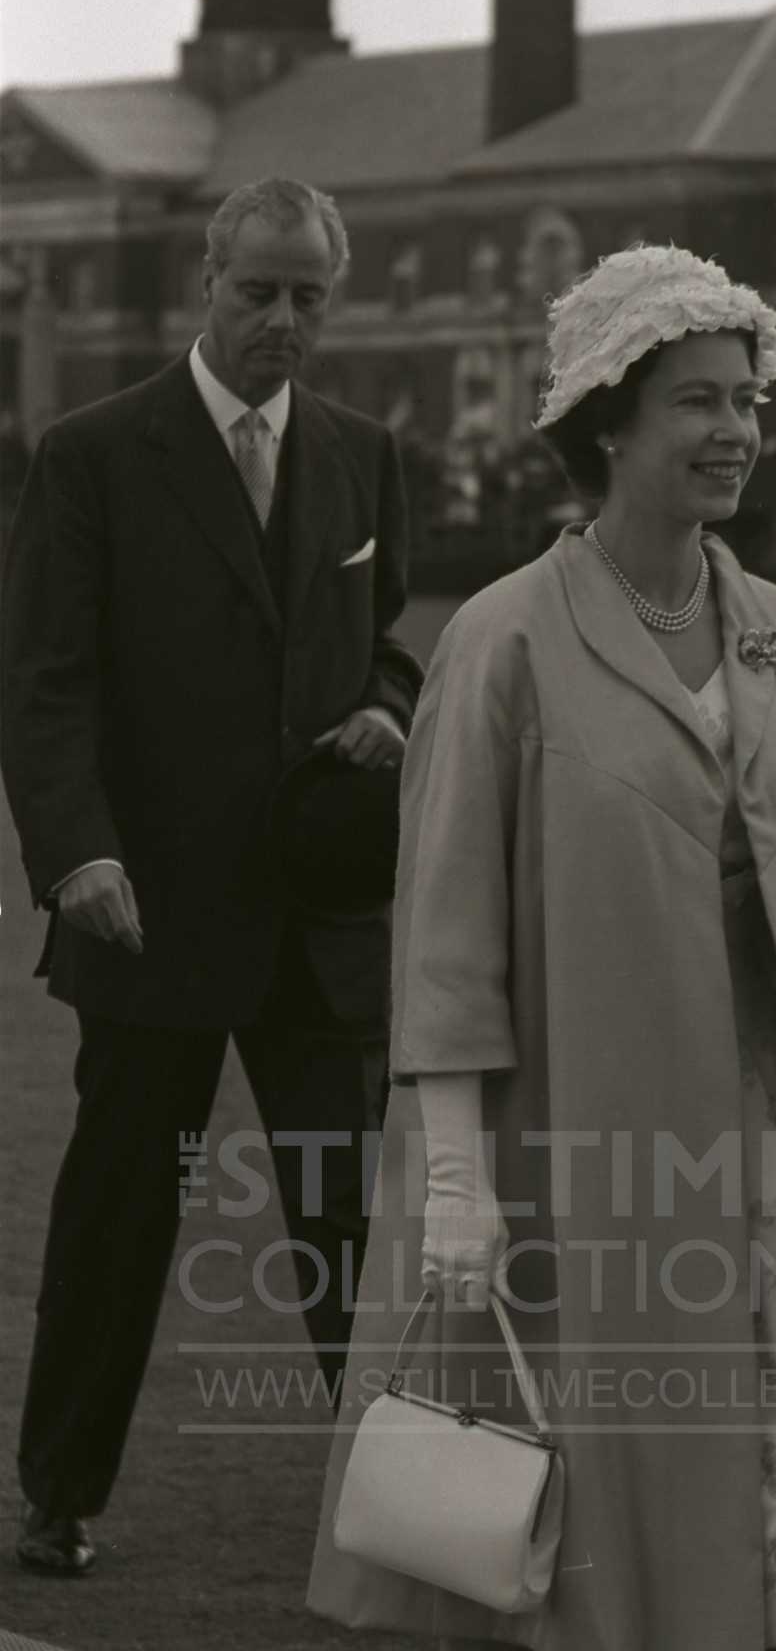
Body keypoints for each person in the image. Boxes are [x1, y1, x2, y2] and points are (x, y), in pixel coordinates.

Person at [307, 244, 776, 1651]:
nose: (736, 431)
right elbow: (445, 935)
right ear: (607, 424)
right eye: (697, 401)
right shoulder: (502, 642)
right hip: (578, 1137)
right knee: (593, 1507)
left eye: (746, 398)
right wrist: (455, 1181)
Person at [1, 176, 423, 1577]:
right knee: (123, 1211)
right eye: (259, 293)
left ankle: (409, 1520)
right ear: (205, 282)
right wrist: (79, 856)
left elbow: (390, 634)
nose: (284, 322)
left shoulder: (366, 454)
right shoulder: (92, 454)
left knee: (352, 1221)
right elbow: (44, 686)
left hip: (319, 924)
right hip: (147, 915)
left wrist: (388, 704)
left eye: (311, 297)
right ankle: (57, 1495)